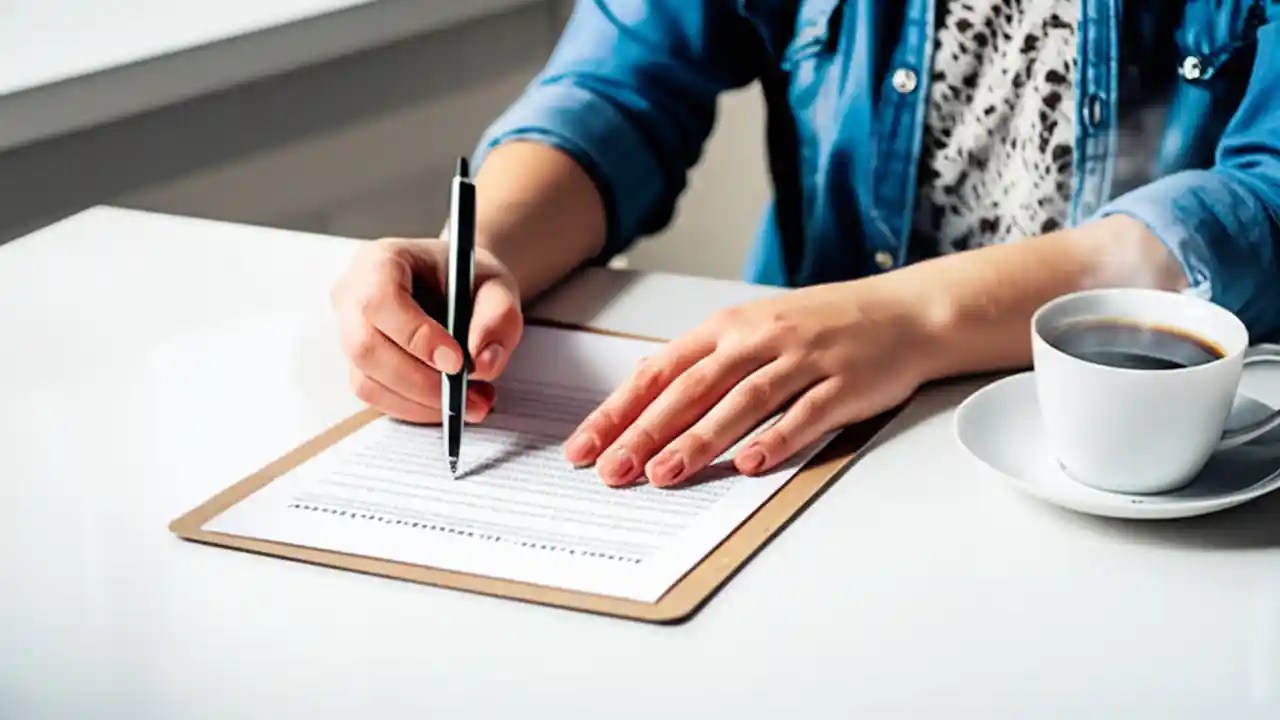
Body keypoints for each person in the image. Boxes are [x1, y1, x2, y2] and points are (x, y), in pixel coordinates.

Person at [330, 1, 1280, 489]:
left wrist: (908, 315)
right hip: (811, 424)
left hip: (1150, 460)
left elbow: (1265, 196)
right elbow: (621, 83)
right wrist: (482, 246)